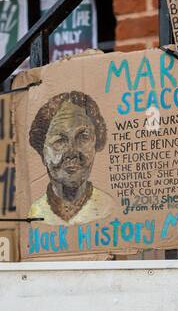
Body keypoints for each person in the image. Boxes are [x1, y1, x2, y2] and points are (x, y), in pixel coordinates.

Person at [26, 90, 117, 225]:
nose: (72, 152)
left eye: (83, 137)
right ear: (43, 152)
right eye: (59, 141)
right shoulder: (34, 213)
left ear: (95, 143)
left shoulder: (109, 208)